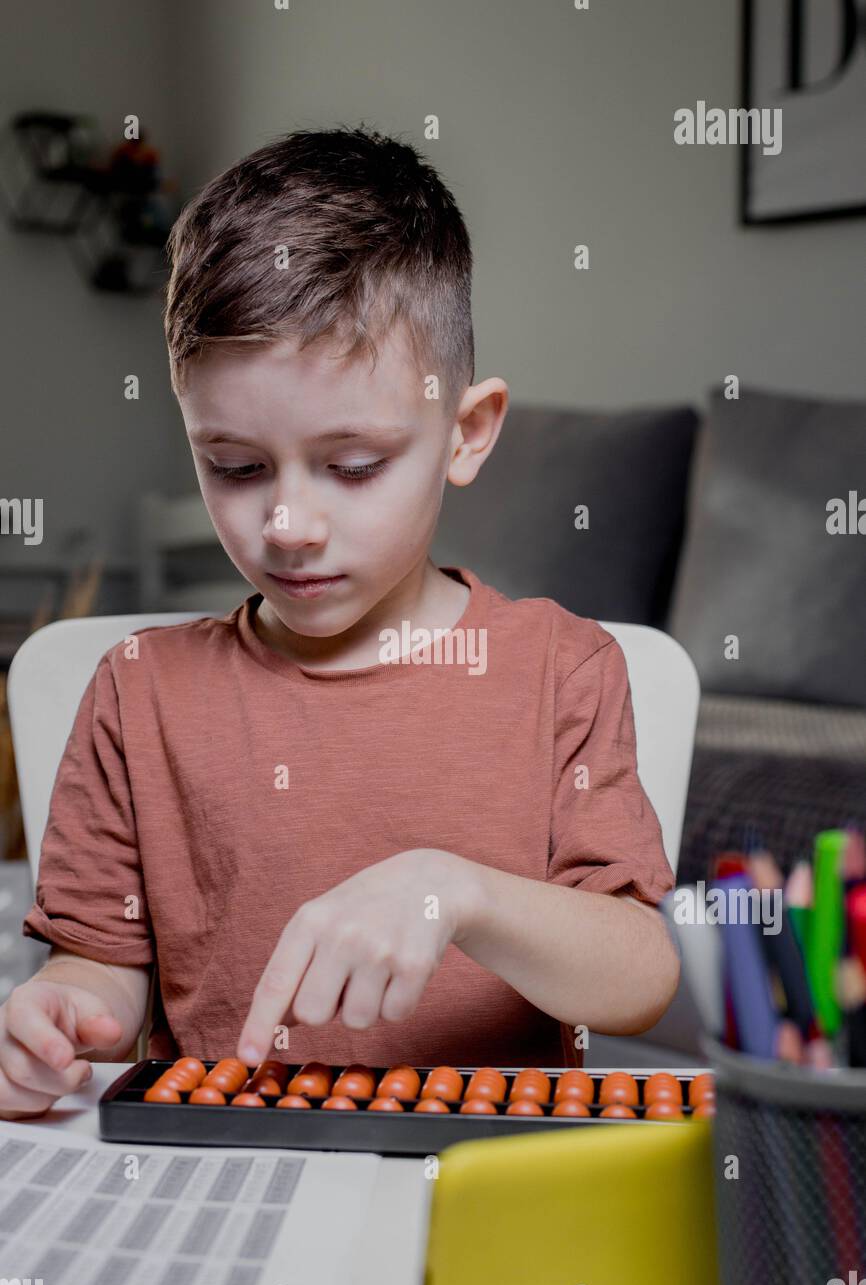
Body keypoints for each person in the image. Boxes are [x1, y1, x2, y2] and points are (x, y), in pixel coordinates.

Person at [0, 126, 677, 1118]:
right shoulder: (137, 690)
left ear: (466, 433)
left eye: (352, 466)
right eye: (233, 465)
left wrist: (460, 892)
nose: (288, 525)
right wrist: (58, 1014)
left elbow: (639, 972)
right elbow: (98, 966)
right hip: (224, 1184)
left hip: (476, 1178)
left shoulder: (561, 669)